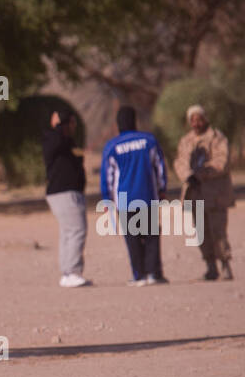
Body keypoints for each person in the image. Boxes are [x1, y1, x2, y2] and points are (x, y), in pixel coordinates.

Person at [100, 106, 169, 285]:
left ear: (118, 124)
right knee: (151, 234)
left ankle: (139, 275)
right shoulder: (149, 141)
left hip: (124, 200)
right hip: (148, 195)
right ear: (134, 121)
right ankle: (154, 274)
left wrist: (107, 198)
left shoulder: (112, 146)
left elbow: (108, 176)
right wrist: (162, 189)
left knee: (132, 237)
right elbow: (160, 167)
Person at [175, 104, 235, 280]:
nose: (196, 123)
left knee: (218, 231)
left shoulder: (217, 138)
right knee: (201, 232)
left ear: (205, 119)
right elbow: (179, 162)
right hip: (194, 195)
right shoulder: (186, 141)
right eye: (192, 120)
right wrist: (187, 175)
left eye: (199, 119)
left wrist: (201, 174)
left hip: (215, 194)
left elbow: (222, 162)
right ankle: (210, 266)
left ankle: (225, 264)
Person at [43, 106, 89, 288]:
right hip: (62, 193)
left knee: (68, 233)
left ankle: (67, 273)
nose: (75, 126)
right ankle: (72, 271)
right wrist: (57, 125)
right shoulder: (52, 138)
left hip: (72, 193)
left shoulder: (68, 141)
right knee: (77, 230)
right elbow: (55, 143)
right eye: (72, 122)